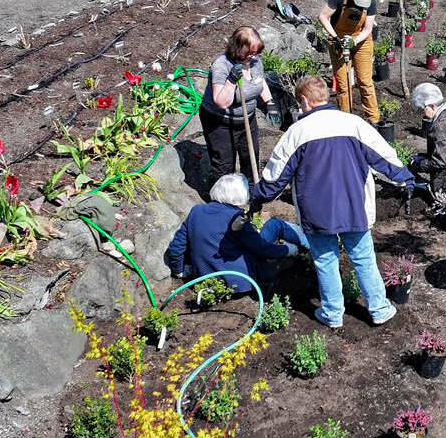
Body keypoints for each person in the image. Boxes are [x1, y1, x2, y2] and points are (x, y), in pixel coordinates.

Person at [252, 76, 422, 328]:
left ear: (304, 101)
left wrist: (258, 195)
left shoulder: (297, 133)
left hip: (317, 211)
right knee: (363, 258)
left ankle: (332, 314)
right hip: (354, 206)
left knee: (325, 259)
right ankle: (379, 308)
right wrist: (406, 179)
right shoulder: (354, 124)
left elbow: (277, 175)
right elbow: (384, 157)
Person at [165, 173, 309, 293]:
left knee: (265, 232)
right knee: (275, 225)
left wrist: (180, 270)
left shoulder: (196, 211)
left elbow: (176, 247)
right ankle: (310, 244)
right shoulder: (235, 218)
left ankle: (306, 243)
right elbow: (262, 249)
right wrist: (288, 250)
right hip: (239, 282)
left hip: (204, 282)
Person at [199, 26, 274, 185]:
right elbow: (221, 102)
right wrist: (231, 81)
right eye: (250, 52)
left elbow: (260, 81)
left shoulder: (255, 61)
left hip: (247, 118)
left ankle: (251, 196)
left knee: (250, 157)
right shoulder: (222, 65)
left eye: (256, 52)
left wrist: (270, 102)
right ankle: (222, 203)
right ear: (239, 48)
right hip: (220, 121)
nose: (254, 56)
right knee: (225, 165)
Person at [318, 0, 379, 125]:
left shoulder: (371, 2)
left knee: (365, 81)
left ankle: (374, 121)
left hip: (361, 40)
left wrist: (354, 41)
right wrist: (336, 39)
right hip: (338, 37)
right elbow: (323, 16)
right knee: (343, 84)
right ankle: (346, 121)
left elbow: (367, 29)